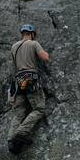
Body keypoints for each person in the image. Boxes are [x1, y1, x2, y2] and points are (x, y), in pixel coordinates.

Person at [8, 23, 50, 152]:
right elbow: (45, 58)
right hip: (31, 80)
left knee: (19, 112)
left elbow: (13, 66)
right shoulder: (33, 43)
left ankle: (11, 139)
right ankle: (21, 132)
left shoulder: (14, 47)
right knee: (39, 109)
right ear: (32, 34)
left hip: (18, 82)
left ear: (22, 33)